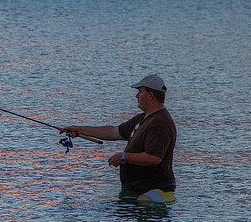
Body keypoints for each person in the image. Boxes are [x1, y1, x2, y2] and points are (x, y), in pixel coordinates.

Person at [64, 74, 177, 203]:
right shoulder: (142, 118)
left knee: (143, 201)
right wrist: (80, 130)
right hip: (136, 190)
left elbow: (154, 158)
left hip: (154, 191)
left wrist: (123, 157)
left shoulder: (159, 123)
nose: (136, 96)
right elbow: (114, 132)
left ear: (150, 95)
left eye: (140, 92)